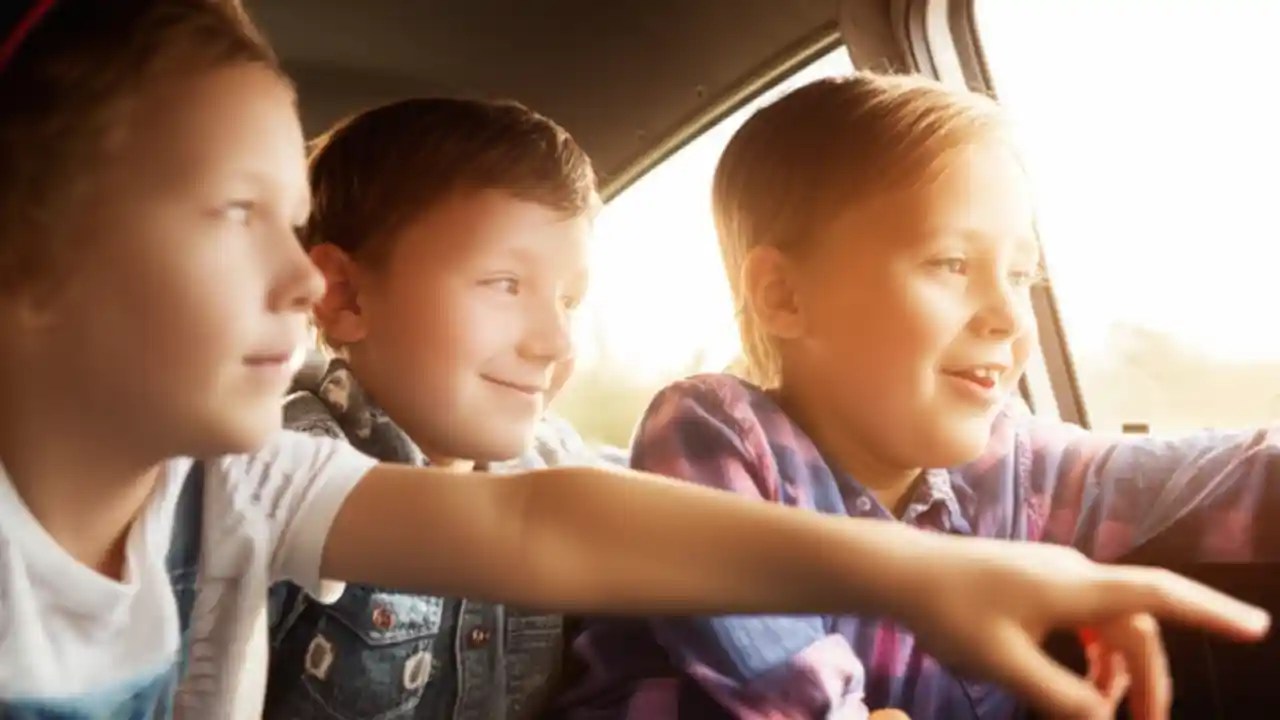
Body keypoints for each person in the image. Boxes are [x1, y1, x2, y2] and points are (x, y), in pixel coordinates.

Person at [0, 4, 1267, 718]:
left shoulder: (238, 484)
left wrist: (928, 574)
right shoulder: (283, 455)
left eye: (293, 223)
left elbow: (549, 521)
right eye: (233, 214)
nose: (296, 276)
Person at [553, 72, 1280, 720]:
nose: (1007, 315)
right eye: (953, 263)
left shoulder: (1015, 469)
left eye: (1022, 277)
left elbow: (1215, 481)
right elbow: (768, 658)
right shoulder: (716, 430)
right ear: (784, 296)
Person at [264, 97, 619, 720]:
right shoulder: (279, 469)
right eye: (506, 285)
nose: (555, 341)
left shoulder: (558, 462)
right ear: (344, 296)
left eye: (570, 299)